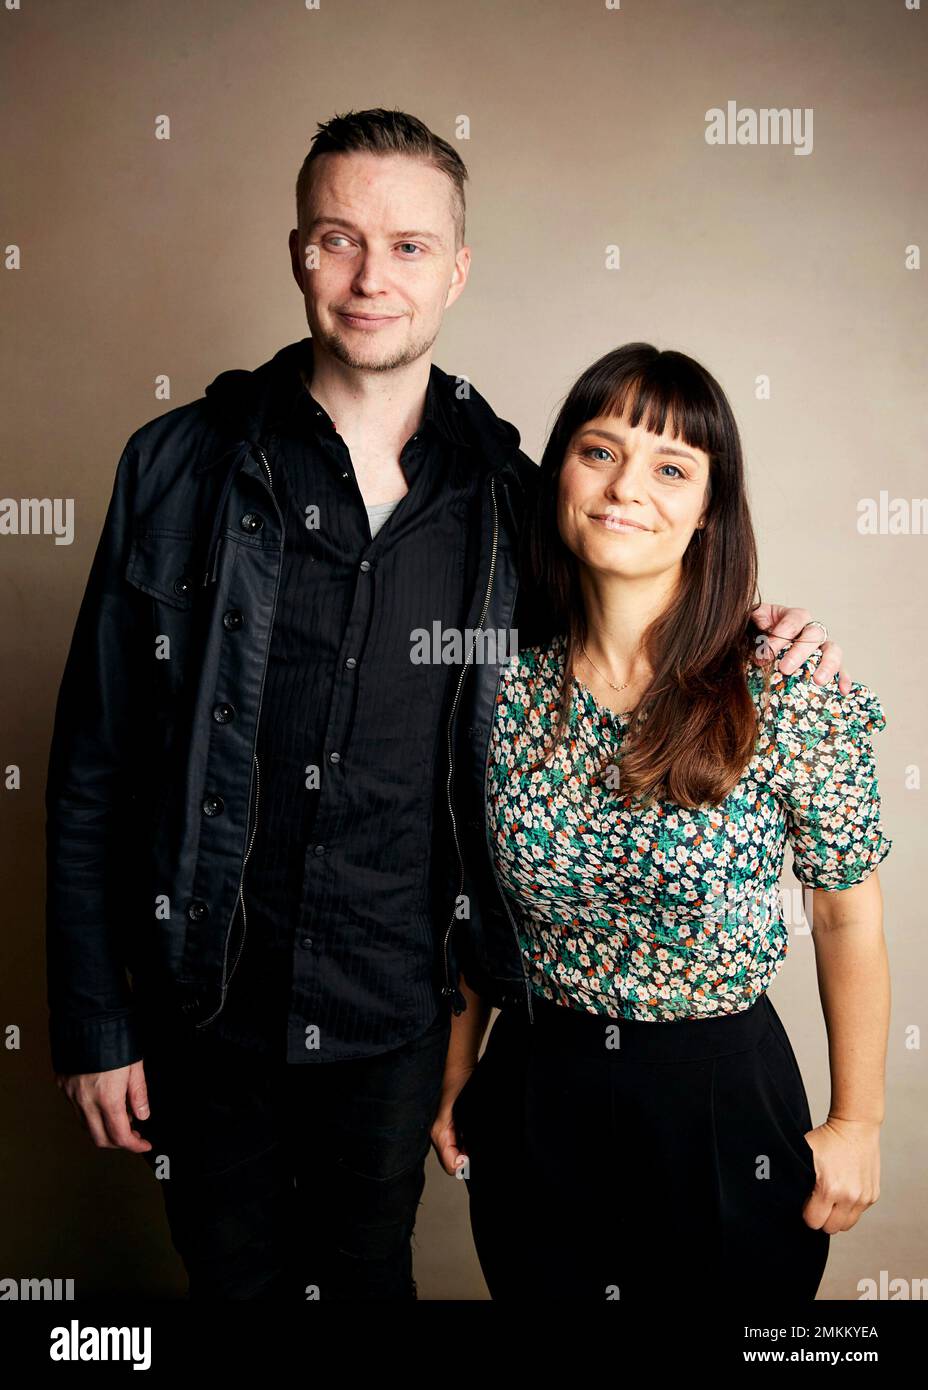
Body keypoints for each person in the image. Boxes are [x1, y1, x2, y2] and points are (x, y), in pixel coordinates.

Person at [46, 109, 847, 1302]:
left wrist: (765, 632)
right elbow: (93, 765)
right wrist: (92, 1019)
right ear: (297, 253)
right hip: (202, 1010)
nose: (373, 277)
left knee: (370, 1282)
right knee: (231, 1285)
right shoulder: (176, 465)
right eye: (338, 239)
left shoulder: (512, 501)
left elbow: (643, 577)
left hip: (402, 1018)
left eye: (410, 246)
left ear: (457, 269)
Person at [433, 343, 892, 1302]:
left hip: (723, 1107)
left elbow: (847, 915)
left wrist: (859, 1123)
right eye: (599, 452)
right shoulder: (498, 690)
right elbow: (471, 902)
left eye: (671, 468)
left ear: (707, 514)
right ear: (559, 472)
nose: (625, 487)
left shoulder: (787, 691)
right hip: (534, 1100)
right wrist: (454, 1075)